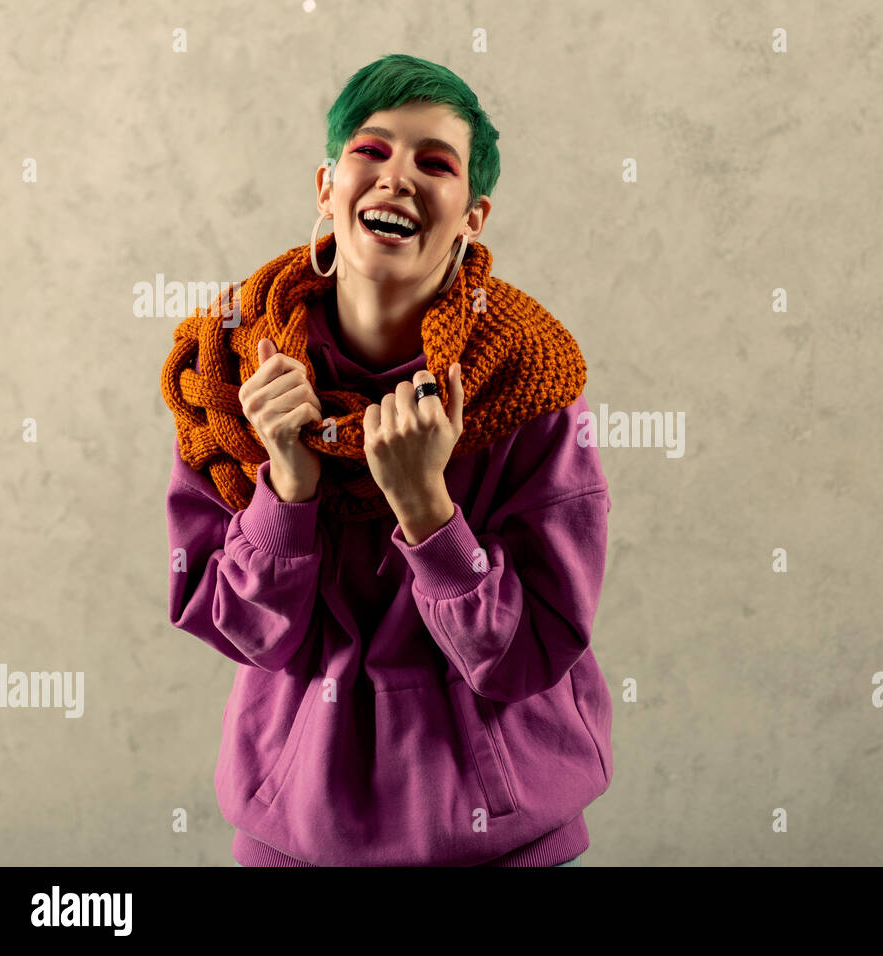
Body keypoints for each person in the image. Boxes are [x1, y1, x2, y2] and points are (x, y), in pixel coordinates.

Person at [160, 54, 611, 867]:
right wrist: (286, 491)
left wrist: (429, 513)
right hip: (293, 836)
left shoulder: (531, 381)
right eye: (372, 152)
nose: (397, 177)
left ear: (474, 217)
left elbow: (530, 655)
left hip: (504, 842)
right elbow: (241, 632)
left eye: (434, 162)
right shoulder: (228, 375)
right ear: (326, 185)